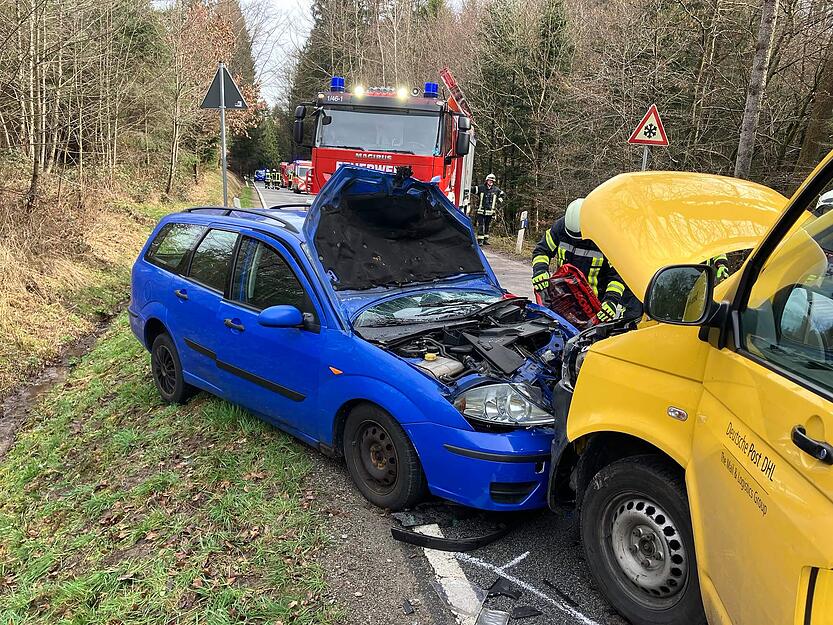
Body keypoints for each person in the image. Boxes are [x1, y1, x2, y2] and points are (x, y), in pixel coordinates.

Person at [532, 198, 639, 323]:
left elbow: (618, 275)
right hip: (562, 298)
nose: (575, 240)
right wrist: (540, 271)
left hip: (593, 306)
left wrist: (611, 301)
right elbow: (542, 250)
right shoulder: (561, 227)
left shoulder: (609, 238)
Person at [471, 174, 505, 245]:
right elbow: (472, 189)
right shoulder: (481, 188)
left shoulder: (496, 190)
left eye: (492, 181)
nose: (491, 182)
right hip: (481, 211)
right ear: (487, 180)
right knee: (481, 225)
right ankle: (480, 240)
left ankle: (485, 240)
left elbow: (503, 195)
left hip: (490, 212)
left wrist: (498, 201)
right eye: (490, 180)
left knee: (487, 225)